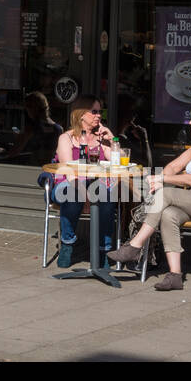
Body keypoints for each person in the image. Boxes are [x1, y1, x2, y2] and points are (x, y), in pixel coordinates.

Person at [107, 103, 191, 291]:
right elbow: (171, 168)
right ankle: (175, 275)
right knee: (168, 214)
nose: (190, 123)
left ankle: (135, 245)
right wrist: (165, 177)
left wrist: (163, 179)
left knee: (166, 193)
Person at [40, 96, 118, 268]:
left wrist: (112, 139)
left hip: (94, 187)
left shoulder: (101, 139)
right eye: (95, 111)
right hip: (67, 186)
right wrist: (86, 195)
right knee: (73, 192)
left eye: (101, 112)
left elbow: (118, 163)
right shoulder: (66, 138)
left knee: (107, 196)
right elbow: (69, 172)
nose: (99, 116)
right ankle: (67, 244)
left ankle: (103, 251)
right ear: (81, 114)